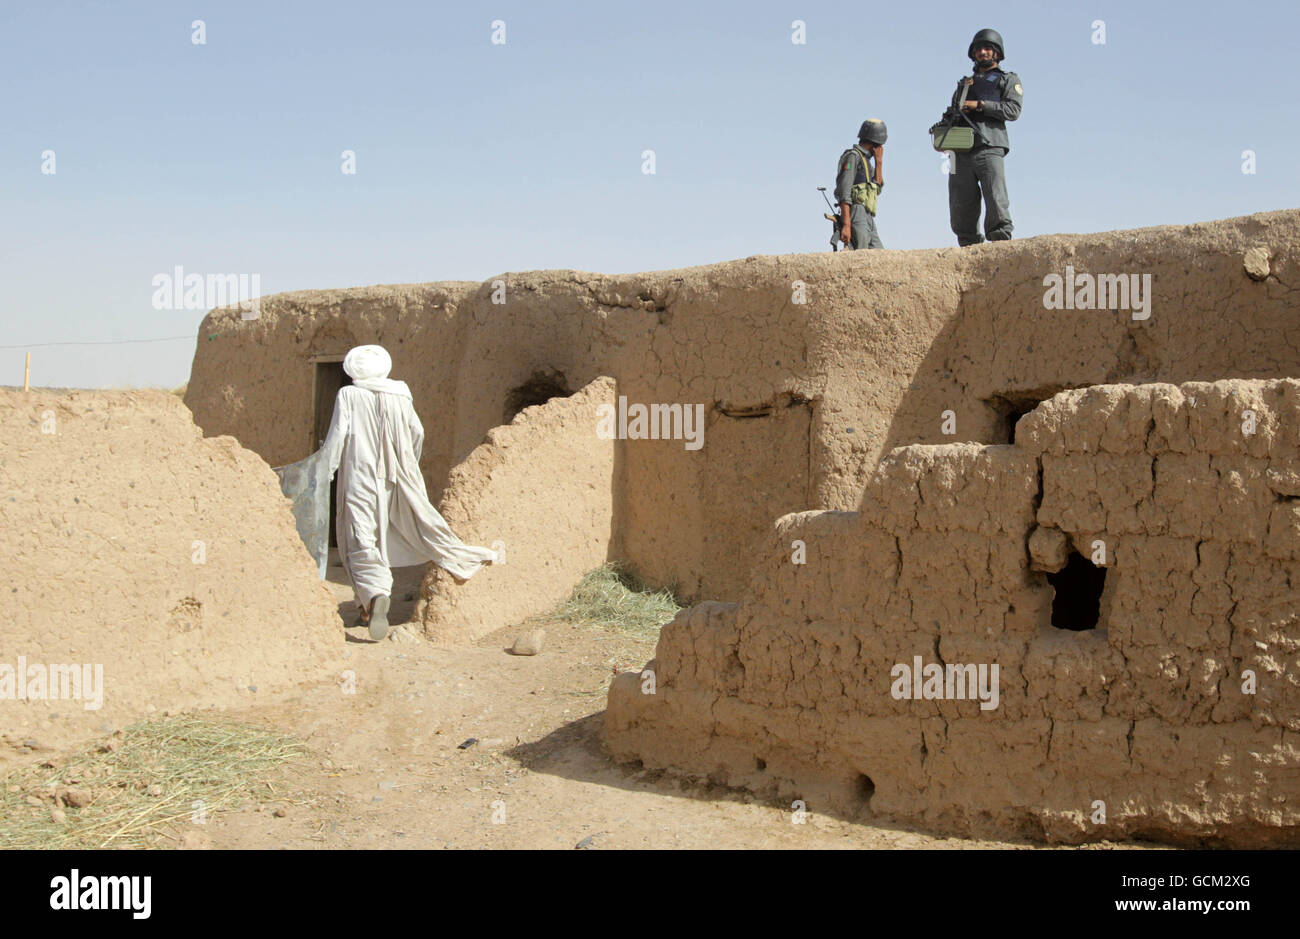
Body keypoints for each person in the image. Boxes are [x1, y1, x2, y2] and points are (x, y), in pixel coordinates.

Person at [319, 345, 496, 640]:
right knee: (416, 521)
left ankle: (375, 594)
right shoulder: (401, 393)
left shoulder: (348, 395)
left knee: (361, 537)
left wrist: (325, 471)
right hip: (399, 475)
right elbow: (418, 432)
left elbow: (337, 435)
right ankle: (368, 607)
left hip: (360, 476)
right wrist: (406, 463)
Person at [947, 28, 1023, 246]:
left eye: (988, 48)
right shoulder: (964, 85)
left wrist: (980, 105)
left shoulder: (1008, 79)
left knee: (995, 195)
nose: (983, 52)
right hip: (961, 150)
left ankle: (999, 240)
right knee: (961, 201)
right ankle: (968, 243)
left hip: (990, 145)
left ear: (997, 53)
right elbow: (955, 110)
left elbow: (1013, 110)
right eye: (979, 49)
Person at [834, 119, 887, 250]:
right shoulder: (853, 157)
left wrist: (879, 162)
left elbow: (877, 189)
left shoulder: (867, 161)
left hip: (868, 215)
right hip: (856, 213)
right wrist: (846, 224)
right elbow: (844, 191)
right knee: (860, 253)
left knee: (879, 255)